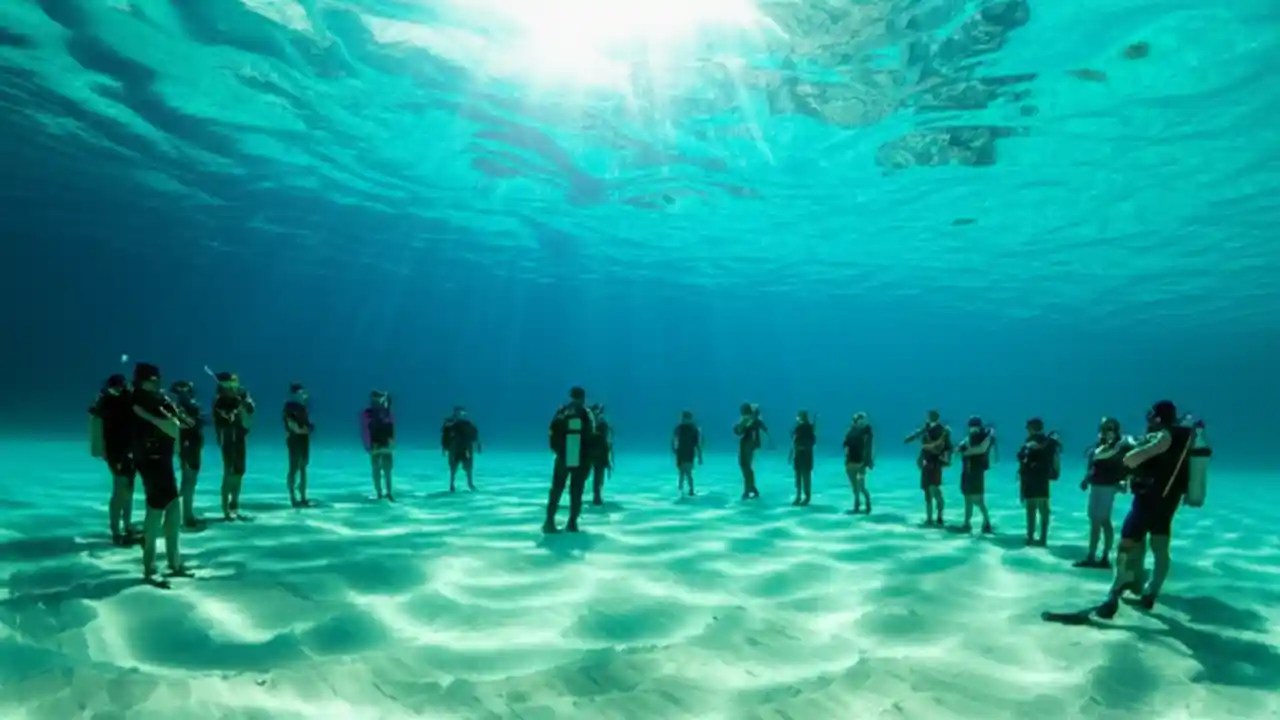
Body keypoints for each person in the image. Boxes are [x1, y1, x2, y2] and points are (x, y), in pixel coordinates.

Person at [1095, 401, 1211, 618]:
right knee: (1160, 547)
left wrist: (1128, 450)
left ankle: (1114, 593)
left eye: (1151, 414)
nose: (1148, 418)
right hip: (1168, 503)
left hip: (1147, 501)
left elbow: (1133, 459)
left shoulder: (1164, 436)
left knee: (1125, 546)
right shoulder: (1185, 439)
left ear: (1157, 417)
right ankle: (1151, 592)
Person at [129, 362, 189, 585]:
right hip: (150, 460)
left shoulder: (157, 399)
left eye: (158, 378)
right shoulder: (138, 400)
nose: (158, 382)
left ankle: (173, 562)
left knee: (172, 507)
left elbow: (176, 426)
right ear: (142, 380)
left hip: (161, 459)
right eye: (153, 379)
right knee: (156, 511)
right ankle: (149, 566)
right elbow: (171, 427)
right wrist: (166, 421)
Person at [1075, 417, 1133, 569]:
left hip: (1107, 486)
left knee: (1099, 521)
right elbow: (1093, 465)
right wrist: (1086, 479)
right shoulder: (1100, 445)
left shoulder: (1120, 446)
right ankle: (1097, 556)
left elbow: (1126, 467)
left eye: (1110, 428)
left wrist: (1124, 482)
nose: (1106, 431)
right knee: (1098, 519)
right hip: (1097, 485)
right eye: (1103, 428)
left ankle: (1098, 556)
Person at [89, 374, 139, 545]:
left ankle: (127, 525)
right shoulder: (106, 402)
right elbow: (96, 413)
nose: (119, 390)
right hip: (116, 452)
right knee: (120, 489)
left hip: (130, 451)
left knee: (129, 489)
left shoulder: (128, 399)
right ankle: (116, 530)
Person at [543, 386, 595, 533]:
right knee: (576, 490)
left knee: (556, 489)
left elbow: (551, 431)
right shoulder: (586, 413)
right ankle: (572, 523)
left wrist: (557, 451)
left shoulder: (562, 411)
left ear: (571, 396)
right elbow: (590, 435)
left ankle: (549, 521)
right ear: (583, 397)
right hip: (580, 458)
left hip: (562, 457)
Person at [212, 372, 255, 521]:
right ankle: (225, 511)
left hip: (240, 439)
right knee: (228, 473)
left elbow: (248, 421)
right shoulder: (220, 402)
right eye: (231, 383)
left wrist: (244, 407)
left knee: (239, 473)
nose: (234, 387)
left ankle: (235, 505)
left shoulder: (242, 398)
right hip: (228, 440)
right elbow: (224, 422)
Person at [1016, 418, 1061, 546]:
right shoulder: (1049, 442)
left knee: (1031, 509)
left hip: (1030, 478)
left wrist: (1021, 487)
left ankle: (1030, 537)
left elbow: (1022, 461)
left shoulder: (1029, 443)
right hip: (1043, 479)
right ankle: (1043, 538)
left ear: (1031, 428)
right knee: (1044, 510)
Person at [904, 410, 951, 525]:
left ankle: (939, 516)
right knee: (927, 491)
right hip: (927, 463)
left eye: (932, 415)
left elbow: (944, 447)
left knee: (934, 490)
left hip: (935, 463)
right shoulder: (926, 428)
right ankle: (929, 518)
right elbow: (918, 438)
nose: (929, 417)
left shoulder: (943, 430)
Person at [170, 380, 206, 528]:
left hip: (190, 445)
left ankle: (186, 514)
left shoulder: (180, 407)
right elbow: (192, 423)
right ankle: (186, 516)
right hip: (189, 446)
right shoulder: (183, 407)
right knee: (189, 480)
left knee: (189, 480)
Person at [957, 416, 996, 533]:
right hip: (967, 471)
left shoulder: (986, 437)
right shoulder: (968, 438)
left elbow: (981, 449)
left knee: (978, 500)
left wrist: (966, 451)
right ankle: (966, 523)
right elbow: (960, 448)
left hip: (976, 472)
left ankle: (987, 521)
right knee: (967, 499)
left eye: (975, 426)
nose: (973, 429)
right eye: (971, 426)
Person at [361, 390, 396, 501]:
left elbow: (391, 430)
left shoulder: (386, 413)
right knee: (379, 470)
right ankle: (381, 493)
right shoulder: (369, 414)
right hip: (376, 445)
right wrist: (368, 446)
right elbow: (365, 430)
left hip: (382, 445)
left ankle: (385, 493)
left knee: (385, 470)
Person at [283, 383, 314, 507]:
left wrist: (308, 429)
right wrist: (303, 430)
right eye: (300, 393)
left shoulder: (303, 407)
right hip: (295, 439)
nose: (303, 395)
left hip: (304, 439)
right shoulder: (289, 406)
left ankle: (303, 496)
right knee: (294, 468)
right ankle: (293, 497)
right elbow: (291, 424)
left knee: (303, 467)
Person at [441, 406, 482, 492]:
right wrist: (444, 448)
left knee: (469, 467)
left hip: (466, 448)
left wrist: (479, 446)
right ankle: (452, 485)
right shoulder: (449, 424)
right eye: (458, 413)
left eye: (462, 413)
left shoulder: (469, 424)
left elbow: (476, 436)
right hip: (454, 449)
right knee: (453, 467)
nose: (460, 414)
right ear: (455, 413)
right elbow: (444, 437)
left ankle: (470, 484)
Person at [734, 403, 770, 499]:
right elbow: (764, 428)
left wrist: (747, 421)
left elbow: (738, 431)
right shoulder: (754, 420)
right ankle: (752, 488)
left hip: (747, 445)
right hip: (750, 445)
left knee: (745, 466)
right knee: (747, 466)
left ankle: (747, 490)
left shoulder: (748, 419)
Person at [843, 412, 874, 514]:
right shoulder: (849, 431)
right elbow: (846, 446)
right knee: (855, 487)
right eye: (858, 420)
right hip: (850, 462)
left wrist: (869, 461)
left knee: (861, 486)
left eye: (862, 420)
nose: (861, 422)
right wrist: (846, 459)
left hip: (861, 463)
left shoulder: (867, 432)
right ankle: (856, 505)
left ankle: (868, 503)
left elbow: (869, 447)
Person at [789, 411, 817, 506]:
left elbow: (810, 442)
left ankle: (803, 496)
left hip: (804, 455)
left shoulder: (803, 428)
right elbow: (794, 442)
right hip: (802, 455)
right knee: (801, 476)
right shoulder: (807, 428)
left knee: (803, 476)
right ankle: (801, 496)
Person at [588, 404, 614, 505]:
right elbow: (606, 442)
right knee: (598, 476)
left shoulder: (591, 422)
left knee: (597, 476)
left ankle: (596, 495)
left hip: (594, 453)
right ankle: (596, 495)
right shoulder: (601, 423)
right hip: (599, 454)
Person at [672, 411, 703, 496]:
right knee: (681, 472)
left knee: (688, 472)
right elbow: (674, 439)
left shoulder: (694, 429)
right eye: (683, 418)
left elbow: (697, 443)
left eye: (686, 418)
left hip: (689, 453)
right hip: (680, 452)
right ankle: (680, 489)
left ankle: (691, 490)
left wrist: (700, 456)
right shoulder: (678, 428)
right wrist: (674, 448)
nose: (683, 420)